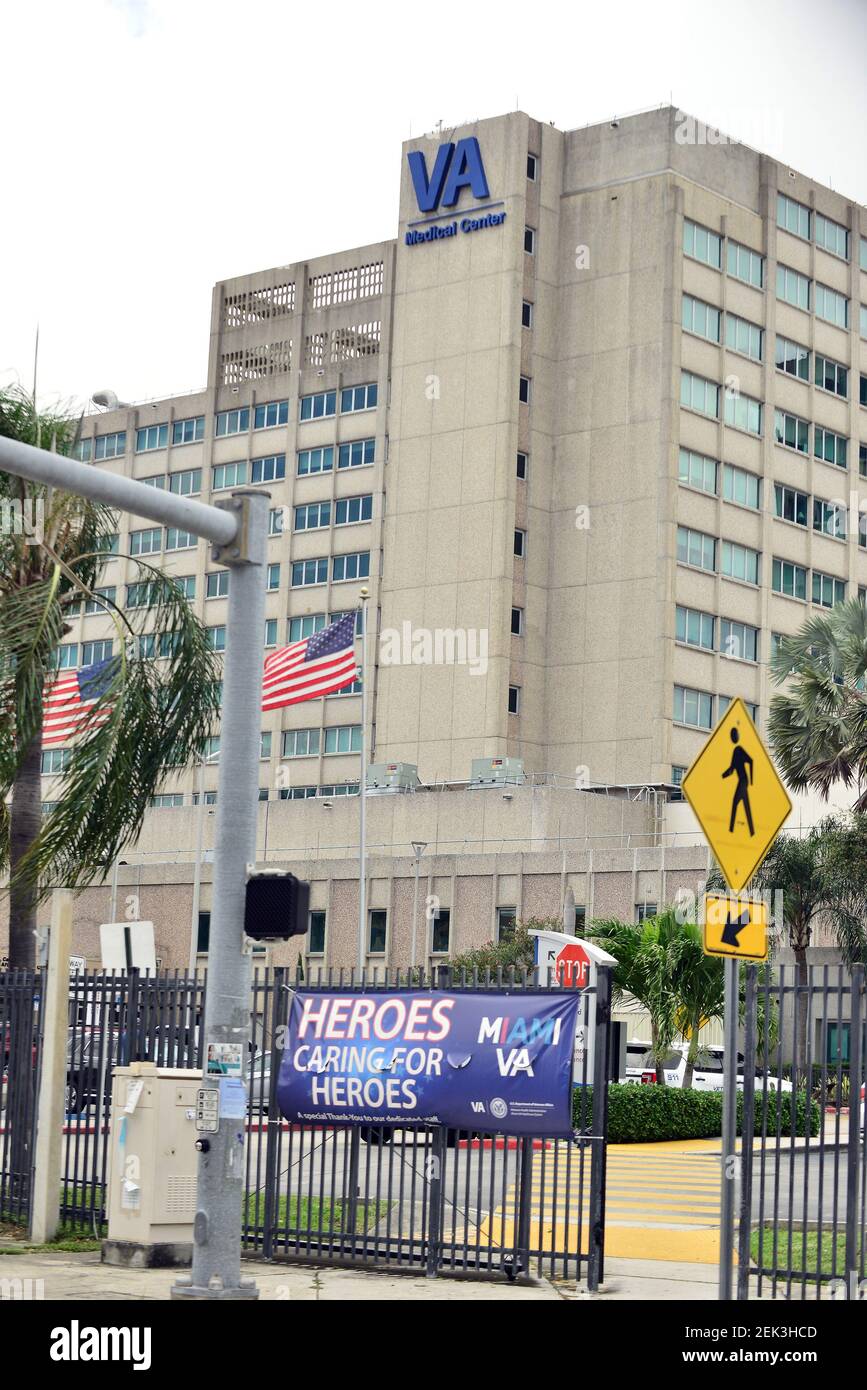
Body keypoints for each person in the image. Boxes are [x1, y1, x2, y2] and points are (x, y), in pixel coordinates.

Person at [722, 727, 754, 835]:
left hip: (743, 781)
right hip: (742, 781)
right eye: (732, 735)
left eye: (735, 735)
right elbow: (732, 769)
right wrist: (722, 776)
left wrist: (752, 781)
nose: (733, 737)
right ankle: (751, 831)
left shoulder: (739, 749)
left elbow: (751, 761)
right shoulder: (735, 751)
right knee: (746, 807)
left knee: (736, 804)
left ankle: (731, 829)